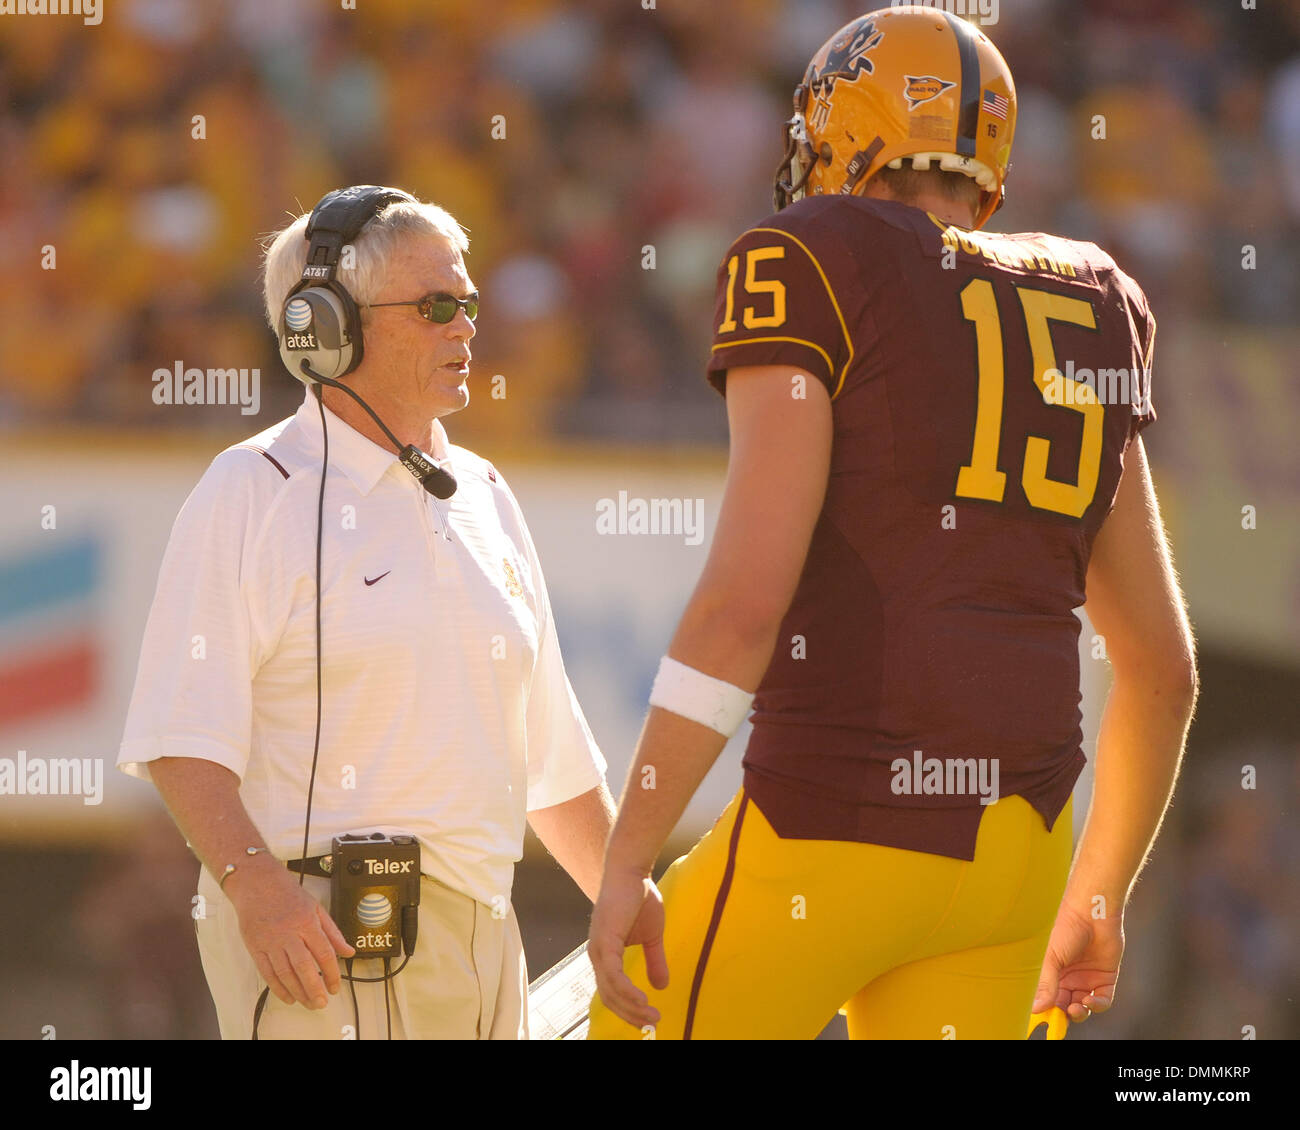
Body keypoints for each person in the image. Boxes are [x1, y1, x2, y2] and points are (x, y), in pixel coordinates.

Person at [586, 8, 1198, 1040]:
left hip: (834, 823)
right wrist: (1096, 897)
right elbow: (1163, 668)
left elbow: (741, 607)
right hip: (1018, 864)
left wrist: (624, 861)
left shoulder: (812, 256)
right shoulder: (1092, 294)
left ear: (845, 133)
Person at [118, 185, 627, 1040]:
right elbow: (179, 737)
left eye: (468, 302)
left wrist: (629, 897)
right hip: (319, 938)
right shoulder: (250, 491)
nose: (465, 325)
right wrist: (260, 892)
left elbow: (554, 763)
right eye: (435, 306)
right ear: (325, 326)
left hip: (484, 945)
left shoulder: (489, 494)